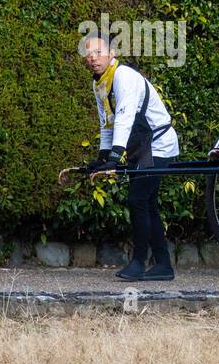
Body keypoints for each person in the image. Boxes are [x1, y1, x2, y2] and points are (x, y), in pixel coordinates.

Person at [66, 35, 180, 282]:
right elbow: (107, 123)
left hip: (158, 145)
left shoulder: (123, 76)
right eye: (89, 54)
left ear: (111, 53)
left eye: (99, 51)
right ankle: (163, 265)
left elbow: (125, 116)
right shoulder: (99, 83)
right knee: (147, 204)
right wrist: (103, 156)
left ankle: (139, 262)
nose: (93, 57)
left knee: (138, 200)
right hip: (142, 147)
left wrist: (116, 155)